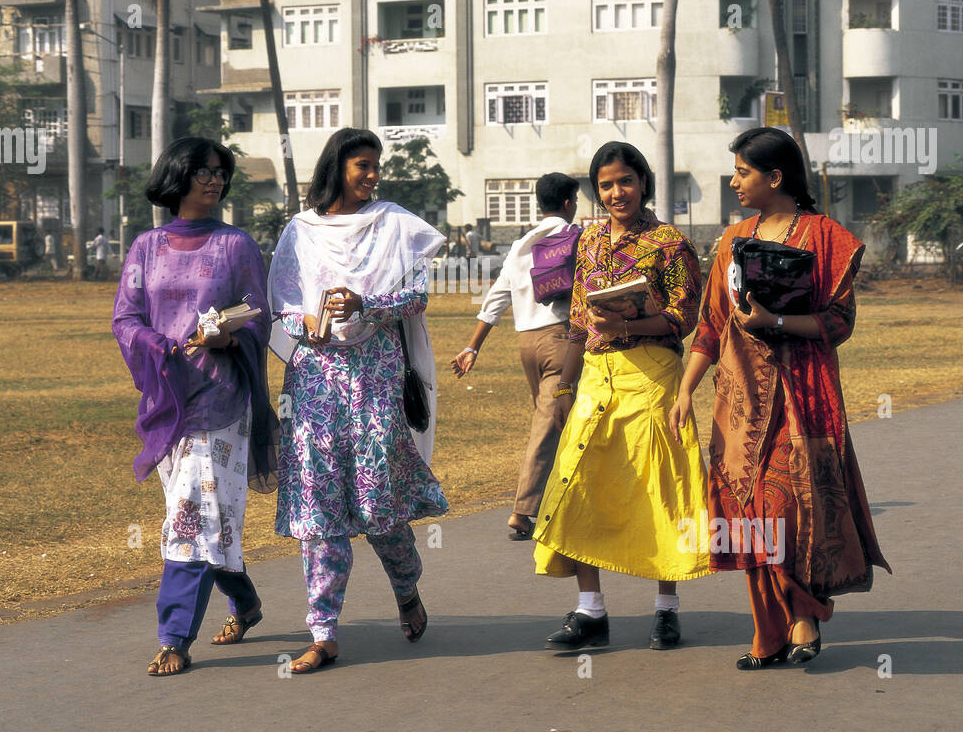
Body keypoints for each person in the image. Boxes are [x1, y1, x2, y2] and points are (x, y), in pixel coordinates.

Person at [670, 127, 891, 670]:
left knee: (786, 510)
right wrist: (684, 392)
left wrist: (776, 322)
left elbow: (839, 322)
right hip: (739, 400)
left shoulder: (824, 236)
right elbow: (710, 324)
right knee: (746, 513)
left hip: (802, 395)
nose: (734, 180)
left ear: (775, 177)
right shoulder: (729, 240)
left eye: (743, 172)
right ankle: (769, 635)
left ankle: (804, 615)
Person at [268, 128, 448, 673]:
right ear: (336, 168)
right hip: (315, 380)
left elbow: (418, 296)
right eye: (362, 166)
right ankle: (323, 633)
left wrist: (365, 303)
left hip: (375, 376)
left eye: (376, 165)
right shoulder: (299, 231)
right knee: (320, 507)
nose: (372, 175)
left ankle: (407, 586)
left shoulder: (394, 223)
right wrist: (305, 321)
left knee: (378, 502)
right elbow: (282, 301)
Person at [112, 137, 278, 676]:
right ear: (177, 178)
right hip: (168, 401)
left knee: (192, 515)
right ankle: (246, 600)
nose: (213, 180)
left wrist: (225, 338)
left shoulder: (236, 246)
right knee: (208, 518)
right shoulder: (145, 247)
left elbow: (258, 314)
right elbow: (125, 318)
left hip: (222, 400)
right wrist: (154, 344)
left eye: (219, 172)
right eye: (202, 171)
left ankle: (174, 636)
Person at [534, 142, 711, 649]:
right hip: (595, 375)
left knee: (661, 487)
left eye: (626, 181)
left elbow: (684, 318)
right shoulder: (586, 241)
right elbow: (575, 321)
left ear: (643, 183)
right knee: (579, 481)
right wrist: (564, 385)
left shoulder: (670, 243)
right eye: (607, 184)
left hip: (653, 376)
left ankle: (666, 609)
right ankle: (591, 611)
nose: (617, 193)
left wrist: (627, 320)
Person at [451, 173, 580, 541]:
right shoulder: (576, 239)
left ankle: (562, 499)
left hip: (527, 345)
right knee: (549, 424)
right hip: (561, 342)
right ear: (570, 202)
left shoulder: (522, 245)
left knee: (559, 421)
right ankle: (523, 511)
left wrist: (472, 346)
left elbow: (496, 297)